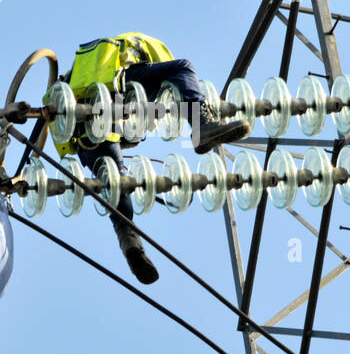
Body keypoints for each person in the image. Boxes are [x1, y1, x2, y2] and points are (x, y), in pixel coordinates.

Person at [55, 32, 249, 284]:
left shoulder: (84, 67)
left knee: (114, 182)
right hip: (117, 90)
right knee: (183, 67)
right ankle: (203, 126)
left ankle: (129, 243)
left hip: (82, 129)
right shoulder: (141, 52)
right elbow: (165, 84)